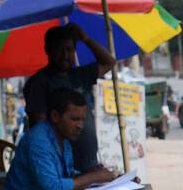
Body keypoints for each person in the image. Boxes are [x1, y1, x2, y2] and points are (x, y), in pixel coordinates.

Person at [23, 24, 116, 173]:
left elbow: (109, 62)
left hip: (88, 163)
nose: (65, 55)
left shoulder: (80, 75)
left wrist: (85, 39)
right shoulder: (39, 82)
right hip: (59, 167)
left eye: (70, 49)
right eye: (60, 49)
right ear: (48, 51)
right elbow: (38, 126)